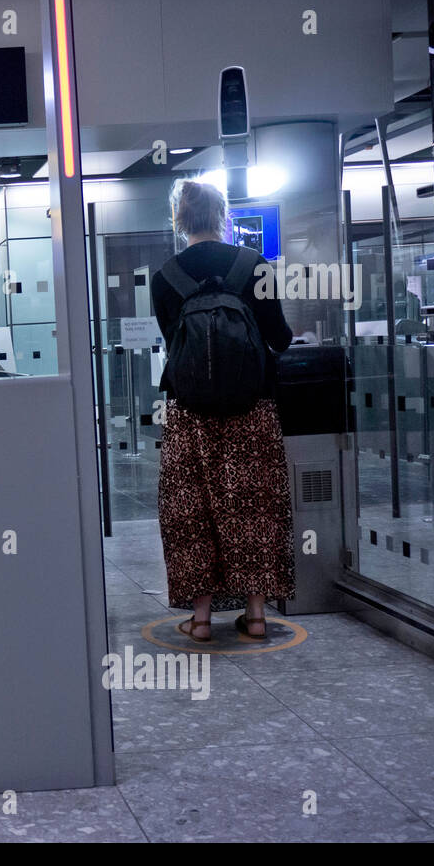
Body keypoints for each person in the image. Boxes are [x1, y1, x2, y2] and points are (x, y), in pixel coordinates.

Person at [149, 178, 296, 642]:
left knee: (192, 511)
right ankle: (255, 616)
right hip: (252, 411)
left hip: (190, 414)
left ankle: (201, 619)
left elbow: (173, 342)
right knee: (251, 506)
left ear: (179, 220)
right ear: (223, 216)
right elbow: (280, 338)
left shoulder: (166, 276)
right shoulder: (257, 266)